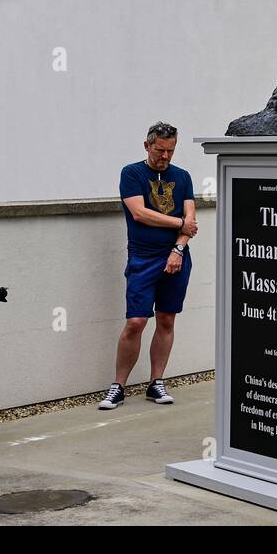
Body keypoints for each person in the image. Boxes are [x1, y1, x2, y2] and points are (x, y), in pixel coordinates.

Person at [99, 122, 197, 409]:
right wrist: (180, 222)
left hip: (176, 256)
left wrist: (178, 249)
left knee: (167, 319)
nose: (165, 156)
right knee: (136, 321)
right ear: (147, 146)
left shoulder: (183, 176)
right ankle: (118, 386)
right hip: (143, 257)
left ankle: (157, 382)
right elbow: (140, 213)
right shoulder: (131, 173)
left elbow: (190, 221)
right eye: (159, 150)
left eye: (171, 150)